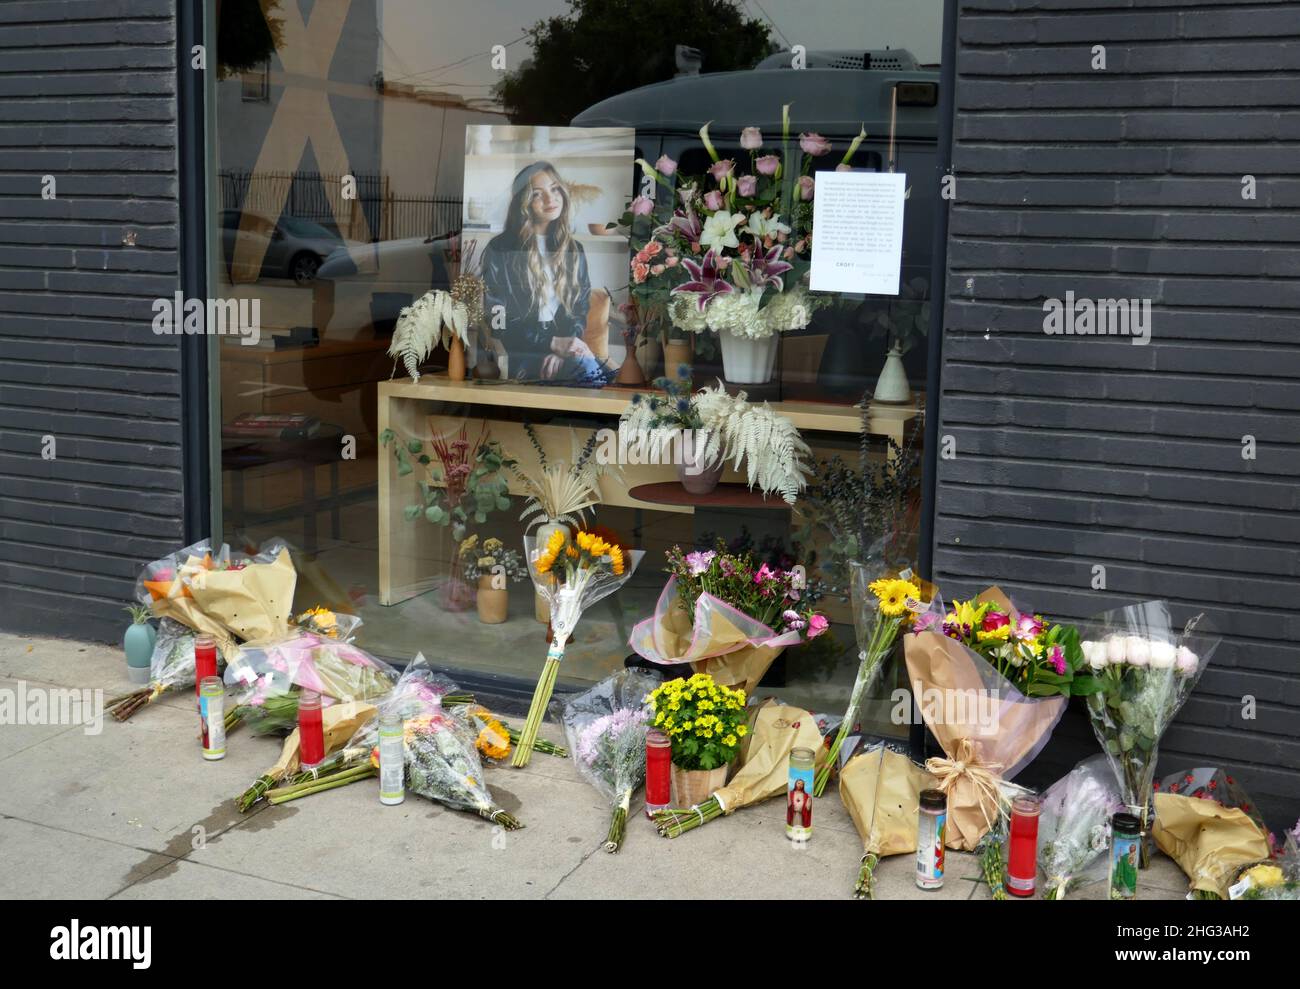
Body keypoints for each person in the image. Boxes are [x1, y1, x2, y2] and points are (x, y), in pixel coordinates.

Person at [480, 161, 609, 383]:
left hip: (563, 351)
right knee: (594, 376)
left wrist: (564, 348)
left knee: (593, 373)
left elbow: (579, 309)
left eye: (555, 188)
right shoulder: (500, 249)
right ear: (524, 203)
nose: (551, 199)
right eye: (537, 194)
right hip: (520, 350)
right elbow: (499, 320)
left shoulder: (574, 250)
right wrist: (552, 343)